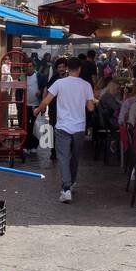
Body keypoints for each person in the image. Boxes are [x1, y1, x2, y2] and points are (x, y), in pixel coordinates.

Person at [33, 57, 95, 202]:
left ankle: (66, 188)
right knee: (75, 157)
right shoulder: (86, 85)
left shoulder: (59, 83)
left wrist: (37, 110)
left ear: (67, 68)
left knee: (63, 157)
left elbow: (46, 101)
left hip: (62, 126)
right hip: (79, 127)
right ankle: (71, 183)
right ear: (79, 69)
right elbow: (91, 107)